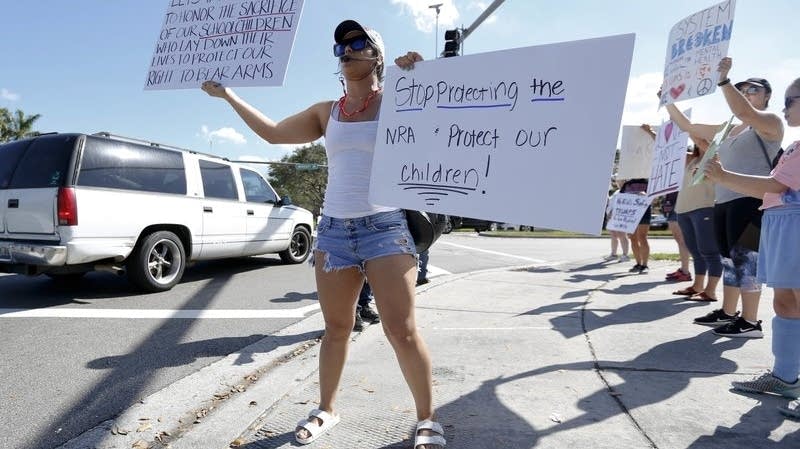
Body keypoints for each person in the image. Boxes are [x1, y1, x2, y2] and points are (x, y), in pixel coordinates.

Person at [202, 20, 445, 448]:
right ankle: (327, 408)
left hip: (385, 228)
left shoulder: (400, 100)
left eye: (357, 43)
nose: (346, 49)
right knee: (336, 328)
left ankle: (427, 419)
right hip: (333, 231)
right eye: (341, 45)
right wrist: (228, 96)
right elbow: (275, 133)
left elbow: (439, 124)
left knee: (401, 330)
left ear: (377, 55)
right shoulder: (325, 112)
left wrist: (422, 77)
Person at [663, 57, 783, 338]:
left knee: (747, 259)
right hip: (725, 200)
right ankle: (729, 313)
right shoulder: (728, 129)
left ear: (767, 96)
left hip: (752, 201)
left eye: (752, 90)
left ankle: (751, 322)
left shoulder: (770, 122)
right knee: (729, 260)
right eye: (743, 89)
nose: (746, 93)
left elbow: (747, 113)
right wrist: (668, 100)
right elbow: (690, 128)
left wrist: (725, 81)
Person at [703, 76, 800, 418]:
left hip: (795, 226)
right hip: (782, 225)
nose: (785, 108)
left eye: (791, 101)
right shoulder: (795, 146)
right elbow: (777, 189)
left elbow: (774, 184)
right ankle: (785, 376)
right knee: (786, 301)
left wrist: (724, 176)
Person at [670, 137, 723, 302]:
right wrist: (651, 133)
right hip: (684, 209)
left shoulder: (716, 156)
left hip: (704, 207)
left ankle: (711, 291)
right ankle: (697, 286)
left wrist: (690, 129)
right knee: (695, 251)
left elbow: (704, 143)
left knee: (709, 251)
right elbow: (667, 150)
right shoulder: (692, 159)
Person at [619, 175, 651, 274]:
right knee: (632, 238)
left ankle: (644, 265)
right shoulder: (626, 183)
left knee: (642, 237)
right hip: (629, 214)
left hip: (644, 212)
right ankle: (638, 263)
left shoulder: (647, 182)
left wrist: (644, 195)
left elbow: (653, 197)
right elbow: (620, 198)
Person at [661, 191, 692, 282]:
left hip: (678, 203)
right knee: (680, 241)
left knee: (681, 240)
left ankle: (685, 272)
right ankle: (683, 269)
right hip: (672, 204)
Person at [604, 181, 630, 262]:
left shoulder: (627, 192)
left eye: (620, 181)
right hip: (611, 218)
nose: (618, 182)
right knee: (613, 235)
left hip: (620, 217)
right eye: (617, 181)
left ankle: (625, 255)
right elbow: (610, 203)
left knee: (622, 235)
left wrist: (612, 213)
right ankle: (613, 254)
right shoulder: (617, 192)